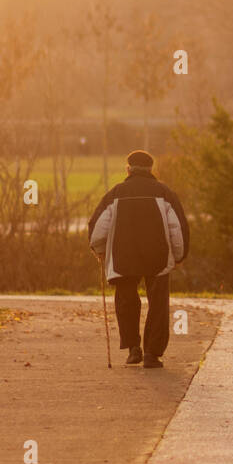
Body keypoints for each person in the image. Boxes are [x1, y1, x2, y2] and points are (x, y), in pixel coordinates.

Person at [87, 150, 190, 369]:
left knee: (126, 301)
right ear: (151, 170)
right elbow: (176, 227)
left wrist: (99, 249)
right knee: (158, 304)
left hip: (124, 255)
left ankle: (134, 348)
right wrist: (179, 254)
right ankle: (152, 354)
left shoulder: (116, 193)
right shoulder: (164, 193)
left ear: (128, 169)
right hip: (158, 256)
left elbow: (98, 229)